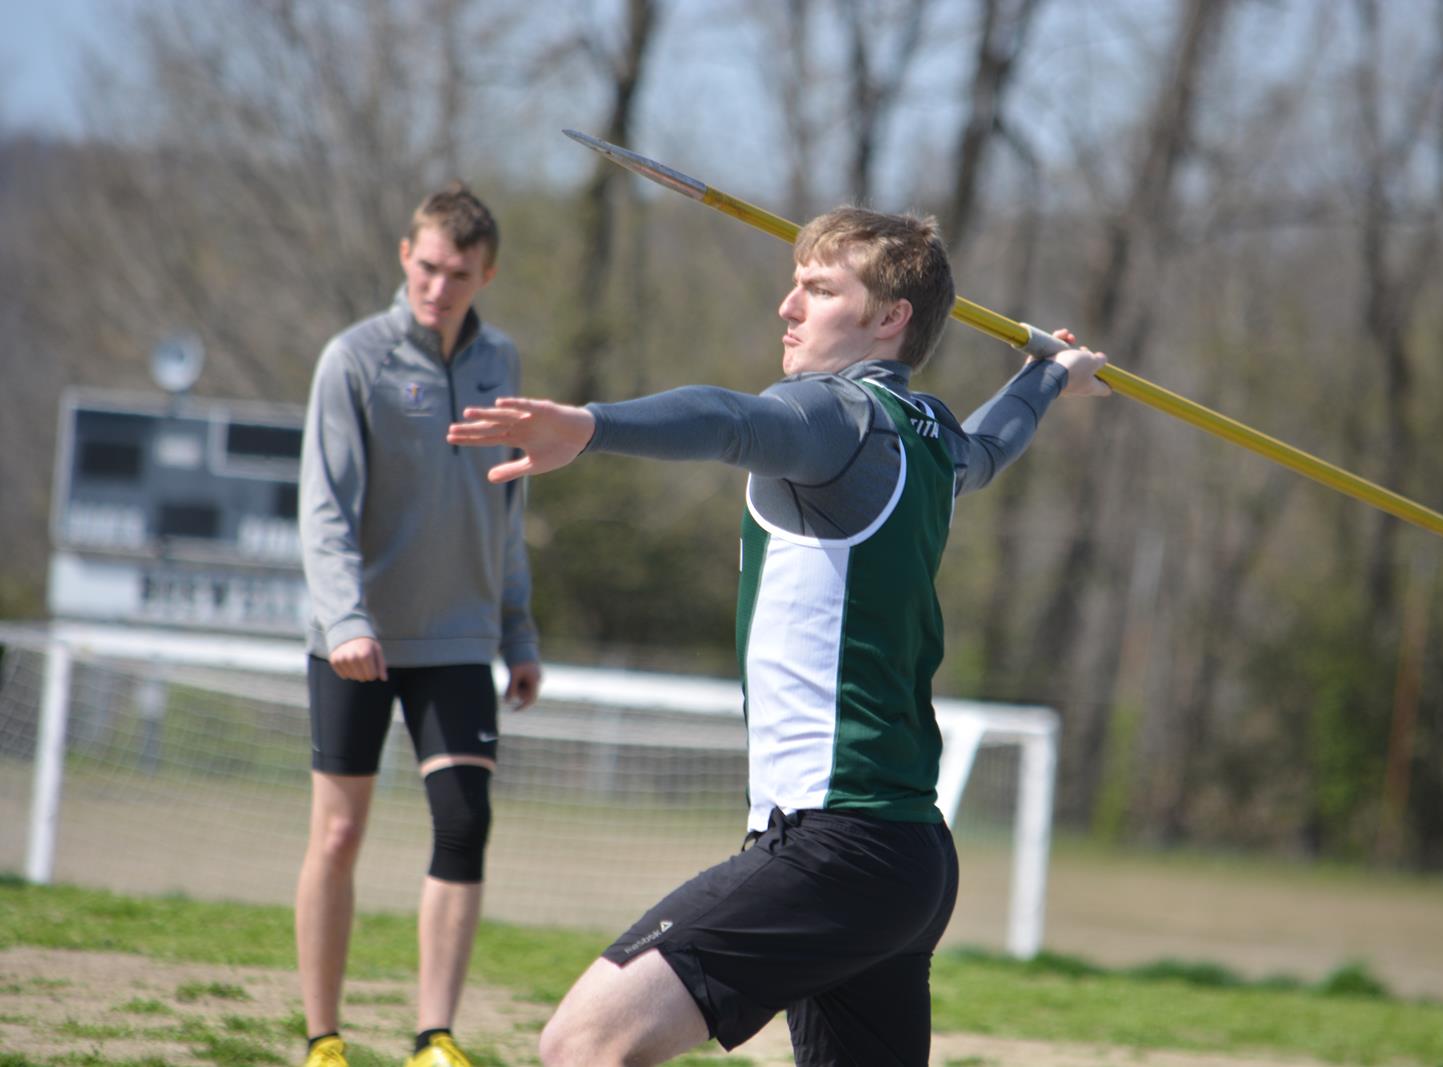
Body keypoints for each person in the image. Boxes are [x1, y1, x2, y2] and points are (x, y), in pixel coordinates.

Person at [448, 206, 1108, 1066]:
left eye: (819, 288)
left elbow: (729, 420)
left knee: (585, 1044)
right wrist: (1049, 375)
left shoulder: (830, 417)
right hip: (907, 856)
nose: (787, 307)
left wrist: (592, 425)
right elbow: (993, 445)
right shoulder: (934, 438)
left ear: (889, 318)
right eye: (794, 283)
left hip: (834, 845)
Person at [296, 182, 542, 1067]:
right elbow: (324, 511)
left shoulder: (501, 363)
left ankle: (434, 1036)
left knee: (463, 816)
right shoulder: (352, 359)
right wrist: (349, 619)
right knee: (339, 834)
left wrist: (518, 631)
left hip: (459, 640)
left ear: (487, 274)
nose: (439, 287)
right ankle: (324, 1037)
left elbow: (507, 509)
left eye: (460, 274)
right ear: (407, 256)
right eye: (428, 267)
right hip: (355, 643)